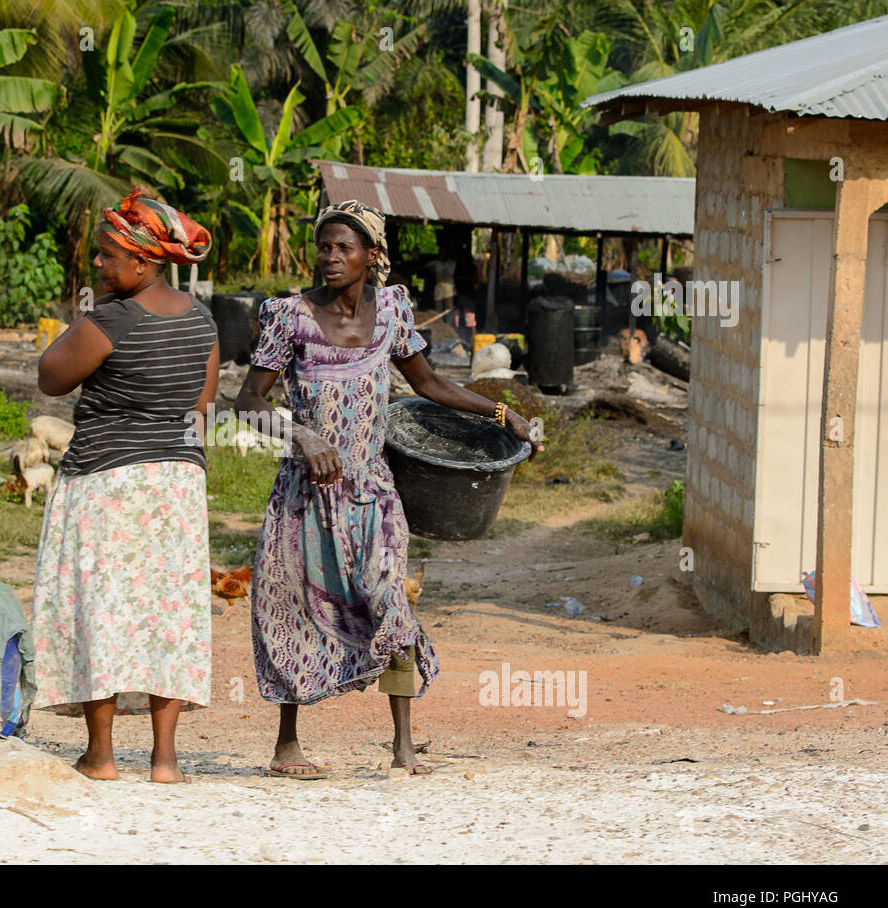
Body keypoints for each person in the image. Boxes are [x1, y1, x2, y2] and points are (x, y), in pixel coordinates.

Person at [235, 199, 542, 777]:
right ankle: (287, 744)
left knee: (390, 601)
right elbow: (247, 402)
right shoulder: (288, 316)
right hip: (305, 494)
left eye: (342, 248)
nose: (330, 257)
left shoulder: (393, 312)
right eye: (323, 246)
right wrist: (300, 434)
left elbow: (429, 384)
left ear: (370, 256)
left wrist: (505, 416)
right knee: (292, 605)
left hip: (371, 493)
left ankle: (403, 747)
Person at [32, 187, 218, 784]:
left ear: (143, 262)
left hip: (107, 483)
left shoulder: (110, 319)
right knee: (171, 614)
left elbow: (51, 377)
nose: (99, 265)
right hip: (177, 488)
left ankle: (102, 755)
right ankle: (165, 760)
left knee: (101, 610)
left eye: (109, 257)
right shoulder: (202, 319)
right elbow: (203, 409)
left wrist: (81, 325)